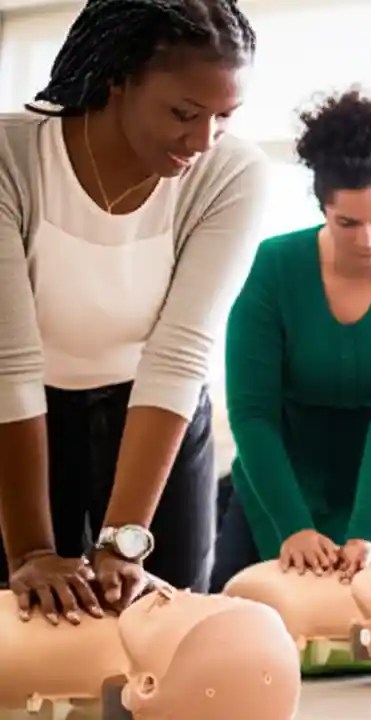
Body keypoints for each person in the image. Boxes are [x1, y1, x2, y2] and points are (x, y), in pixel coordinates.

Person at [0, 0, 267, 624]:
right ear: (119, 76)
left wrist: (122, 541)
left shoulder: (232, 175)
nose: (203, 141)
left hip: (155, 417)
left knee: (165, 631)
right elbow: (8, 364)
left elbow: (179, 355)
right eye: (184, 113)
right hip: (24, 418)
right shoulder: (13, 158)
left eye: (225, 117)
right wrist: (34, 551)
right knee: (26, 626)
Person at [208, 88, 371, 591]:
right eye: (348, 222)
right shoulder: (270, 268)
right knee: (240, 626)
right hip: (277, 475)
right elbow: (252, 414)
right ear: (323, 208)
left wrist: (368, 532)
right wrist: (292, 526)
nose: (368, 240)